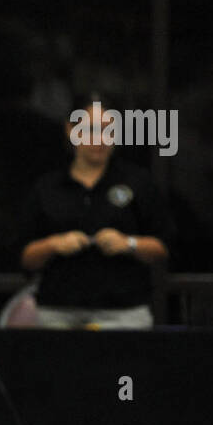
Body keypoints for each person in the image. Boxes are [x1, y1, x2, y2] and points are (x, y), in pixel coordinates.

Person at [19, 96, 174, 329]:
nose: (100, 139)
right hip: (57, 312)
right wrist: (53, 245)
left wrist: (129, 244)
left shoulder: (138, 183)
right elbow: (24, 257)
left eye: (108, 130)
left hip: (124, 313)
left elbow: (164, 247)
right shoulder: (47, 188)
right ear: (71, 130)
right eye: (91, 130)